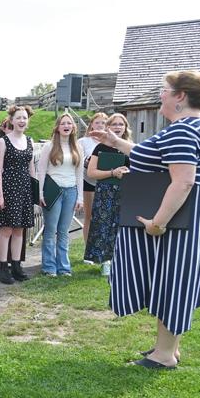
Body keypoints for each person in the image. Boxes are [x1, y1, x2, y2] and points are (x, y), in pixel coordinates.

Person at [91, 71, 200, 369]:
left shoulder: (184, 130)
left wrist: (157, 223)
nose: (160, 94)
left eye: (164, 90)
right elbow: (150, 155)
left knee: (173, 280)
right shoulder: (195, 125)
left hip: (174, 223)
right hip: (184, 219)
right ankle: (168, 348)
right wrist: (115, 141)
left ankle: (164, 355)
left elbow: (183, 181)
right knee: (171, 279)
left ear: (180, 96)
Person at [0, 105, 36, 284]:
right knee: (6, 229)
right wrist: (0, 195)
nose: (22, 121)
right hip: (8, 189)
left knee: (19, 230)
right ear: (11, 120)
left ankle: (16, 266)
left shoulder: (30, 140)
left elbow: (31, 168)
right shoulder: (4, 141)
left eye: (24, 118)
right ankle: (3, 268)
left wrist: (34, 193)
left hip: (24, 190)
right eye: (18, 117)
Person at [84, 113, 131, 276]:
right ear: (108, 128)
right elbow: (91, 172)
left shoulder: (129, 147)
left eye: (121, 124)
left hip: (125, 191)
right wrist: (113, 172)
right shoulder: (100, 148)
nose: (118, 127)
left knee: (121, 226)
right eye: (114, 124)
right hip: (105, 191)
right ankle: (105, 261)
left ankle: (120, 260)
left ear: (125, 127)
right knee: (103, 226)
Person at [37, 113, 83, 277]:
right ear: (57, 127)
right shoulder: (49, 146)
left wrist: (80, 197)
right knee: (50, 230)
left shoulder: (77, 147)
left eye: (69, 123)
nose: (66, 126)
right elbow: (41, 170)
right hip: (53, 191)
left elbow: (79, 174)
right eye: (63, 123)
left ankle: (64, 267)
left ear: (73, 127)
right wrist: (41, 192)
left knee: (63, 232)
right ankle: (49, 267)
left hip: (71, 191)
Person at [77, 112, 108, 257]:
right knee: (89, 216)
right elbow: (78, 160)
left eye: (103, 123)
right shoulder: (83, 142)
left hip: (107, 182)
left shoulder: (109, 141)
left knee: (104, 216)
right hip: (88, 182)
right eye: (97, 122)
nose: (100, 125)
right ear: (91, 125)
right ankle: (88, 249)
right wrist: (87, 163)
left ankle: (103, 249)